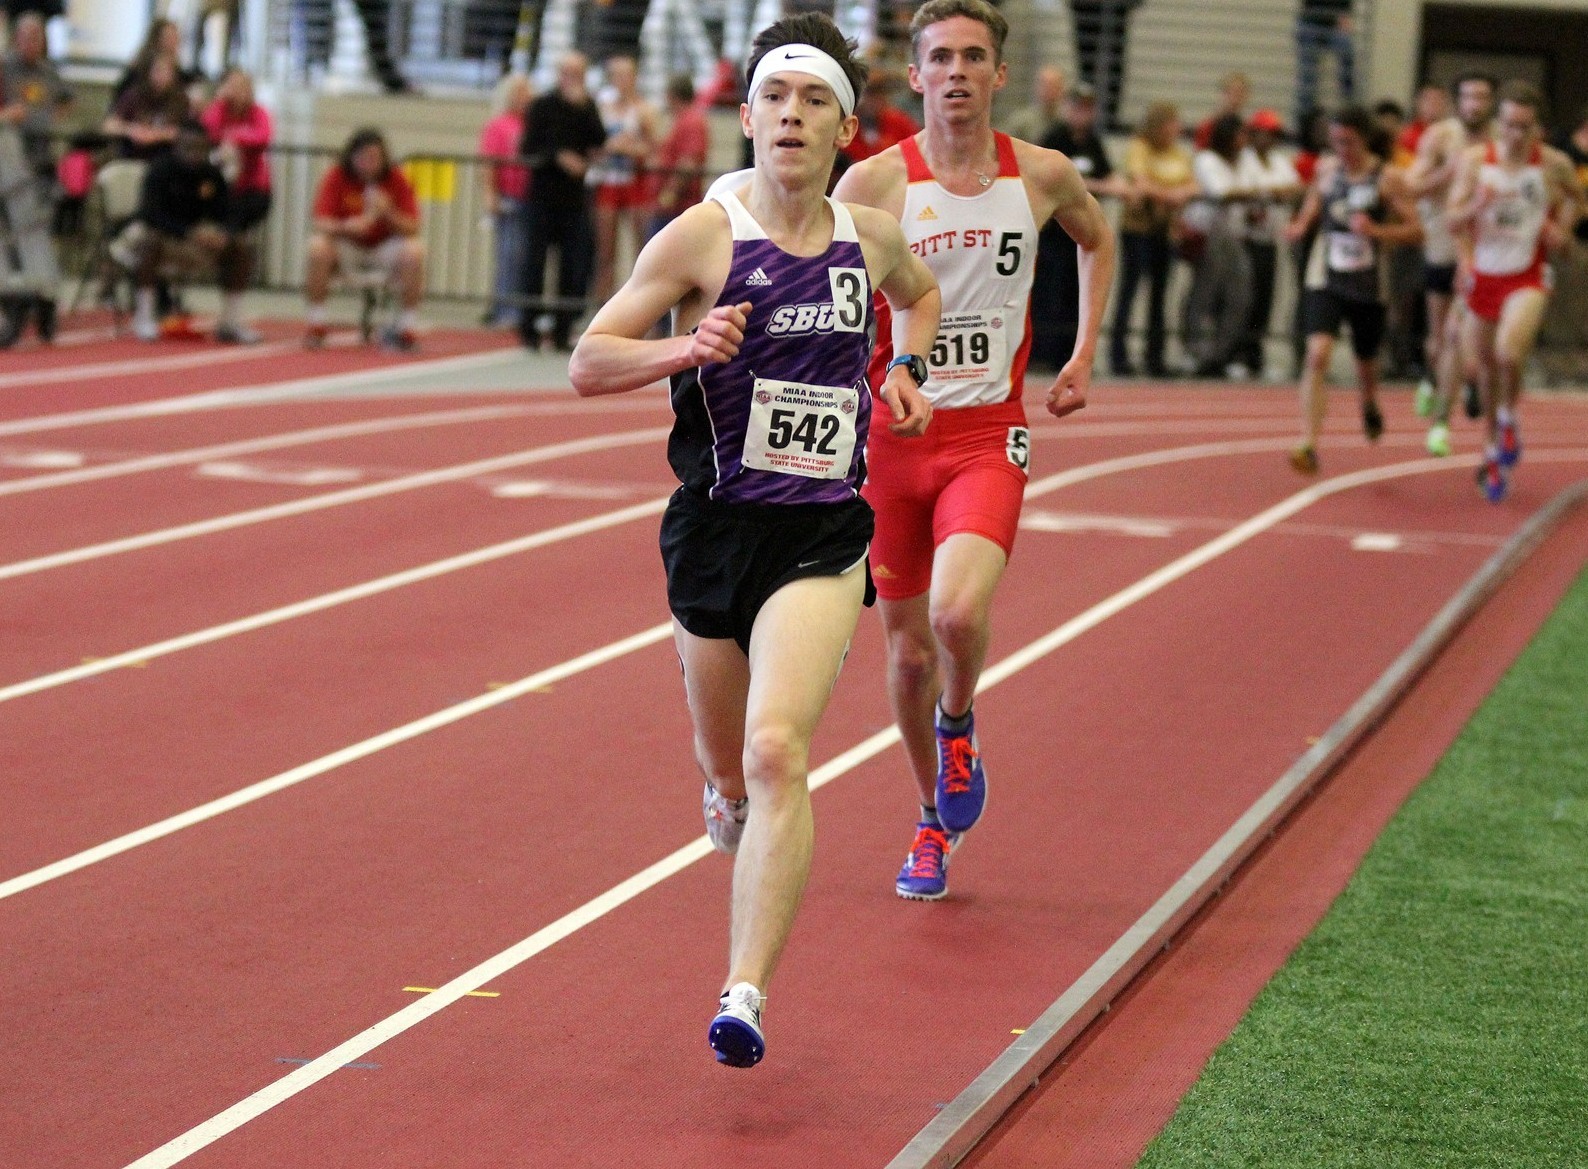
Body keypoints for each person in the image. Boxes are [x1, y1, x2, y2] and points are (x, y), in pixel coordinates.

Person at [568, 12, 938, 1068]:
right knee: (730, 765)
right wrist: (685, 347)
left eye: (813, 100)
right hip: (712, 531)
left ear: (846, 130)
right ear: (746, 117)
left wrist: (905, 368)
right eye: (775, 98)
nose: (791, 116)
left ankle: (743, 991)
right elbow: (588, 362)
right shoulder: (702, 237)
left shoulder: (868, 239)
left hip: (820, 533)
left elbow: (920, 296)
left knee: (781, 749)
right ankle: (719, 789)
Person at [834, 0, 1115, 901]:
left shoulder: (1040, 174)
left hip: (988, 434)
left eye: (974, 57)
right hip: (890, 443)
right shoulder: (872, 186)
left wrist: (1080, 354)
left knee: (957, 617)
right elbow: (827, 292)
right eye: (940, 58)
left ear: (999, 74)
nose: (957, 73)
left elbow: (1099, 242)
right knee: (906, 652)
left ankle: (959, 724)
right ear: (914, 77)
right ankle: (929, 818)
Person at [1448, 81, 1584, 502]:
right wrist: (1475, 207)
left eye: (1524, 126)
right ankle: (1492, 447)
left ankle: (1508, 416)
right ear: (1498, 123)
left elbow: (1579, 198)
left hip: (1528, 274)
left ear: (1537, 127)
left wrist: (1561, 228)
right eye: (1508, 124)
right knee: (1484, 369)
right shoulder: (1474, 162)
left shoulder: (1553, 165)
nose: (1515, 135)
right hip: (1484, 275)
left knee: (1510, 352)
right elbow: (1452, 220)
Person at [1284, 105, 1421, 475]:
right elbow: (1313, 204)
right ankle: (1308, 442)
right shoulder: (1327, 169)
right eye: (1335, 141)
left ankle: (1370, 401)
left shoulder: (1388, 177)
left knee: (1366, 362)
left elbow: (1416, 229)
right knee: (1317, 354)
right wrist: (1299, 226)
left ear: (1364, 138)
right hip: (1326, 275)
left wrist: (1379, 232)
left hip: (1368, 282)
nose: (1341, 148)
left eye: (1348, 141)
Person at [1409, 73, 1495, 456]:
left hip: (1487, 245)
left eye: (1482, 97)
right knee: (1441, 335)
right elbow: (1411, 186)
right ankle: (1433, 376)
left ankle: (1463, 393)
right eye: (1468, 97)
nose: (1474, 105)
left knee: (1464, 334)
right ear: (1456, 100)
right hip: (1442, 242)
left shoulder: (1503, 135)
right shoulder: (1440, 137)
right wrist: (1450, 170)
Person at [119, 119, 257, 343]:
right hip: (165, 236)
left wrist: (224, 235)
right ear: (177, 146)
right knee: (146, 241)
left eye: (200, 148)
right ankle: (144, 317)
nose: (194, 154)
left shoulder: (212, 175)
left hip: (197, 242)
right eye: (188, 147)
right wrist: (189, 233)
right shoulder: (159, 170)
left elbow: (228, 212)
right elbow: (150, 214)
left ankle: (231, 322)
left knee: (242, 248)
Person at [303, 126, 425, 351]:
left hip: (384, 246)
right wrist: (345, 227)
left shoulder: (396, 179)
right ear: (352, 157)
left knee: (415, 251)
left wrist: (388, 212)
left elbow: (413, 227)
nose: (369, 164)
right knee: (317, 246)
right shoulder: (337, 176)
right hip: (348, 245)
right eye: (363, 158)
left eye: (374, 158)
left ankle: (408, 327)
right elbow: (320, 221)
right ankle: (316, 323)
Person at [518, 52, 605, 351]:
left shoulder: (588, 106)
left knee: (573, 266)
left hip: (575, 200)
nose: (572, 79)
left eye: (577, 73)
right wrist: (558, 156)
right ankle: (528, 329)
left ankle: (562, 330)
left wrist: (583, 109)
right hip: (542, 197)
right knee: (534, 264)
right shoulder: (541, 106)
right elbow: (528, 147)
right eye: (567, 72)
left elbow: (599, 140)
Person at [1036, 81, 1121, 369]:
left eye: (1088, 108)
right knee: (1049, 293)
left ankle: (1068, 355)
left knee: (1077, 293)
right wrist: (1094, 185)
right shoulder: (1055, 137)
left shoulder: (1093, 142)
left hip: (1080, 233)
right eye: (1078, 107)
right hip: (1053, 234)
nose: (1082, 114)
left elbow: (1109, 174)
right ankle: (1042, 355)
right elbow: (1050, 179)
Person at [0, 12, 72, 345]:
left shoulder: (48, 73)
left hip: (39, 162)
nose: (32, 43)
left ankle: (43, 297)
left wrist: (50, 118)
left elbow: (66, 101)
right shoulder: (4, 68)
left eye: (38, 37)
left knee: (36, 230)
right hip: (8, 159)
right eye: (26, 36)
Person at [1110, 100, 1196, 377]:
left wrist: (1170, 194)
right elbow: (1141, 183)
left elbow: (1193, 184)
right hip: (1138, 229)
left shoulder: (1178, 153)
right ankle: (1118, 356)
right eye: (1171, 125)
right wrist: (1172, 195)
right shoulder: (1139, 148)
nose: (1176, 130)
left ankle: (1155, 357)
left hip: (1164, 231)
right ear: (1158, 127)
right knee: (1130, 290)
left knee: (1160, 295)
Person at [1181, 112, 1253, 377]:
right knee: (1204, 293)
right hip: (1208, 233)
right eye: (1241, 134)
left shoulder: (1246, 160)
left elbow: (1265, 185)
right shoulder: (1207, 159)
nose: (1246, 140)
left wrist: (1254, 192)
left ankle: (1221, 353)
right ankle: (1194, 350)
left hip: (1235, 234)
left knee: (1240, 295)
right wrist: (1258, 192)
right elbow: (1221, 192)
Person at [1234, 108, 1302, 377]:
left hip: (1269, 239)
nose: (1270, 139)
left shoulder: (1279, 161)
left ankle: (1255, 355)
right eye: (1266, 133)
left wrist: (1271, 192)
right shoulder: (1243, 159)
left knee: (1265, 299)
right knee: (1244, 298)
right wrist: (1273, 192)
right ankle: (1237, 353)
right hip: (1245, 238)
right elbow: (1247, 189)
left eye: (1274, 135)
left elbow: (1294, 188)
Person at [590, 55, 657, 305]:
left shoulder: (643, 110)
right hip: (608, 182)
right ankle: (600, 309)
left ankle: (642, 310)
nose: (622, 81)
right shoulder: (602, 108)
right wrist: (610, 147)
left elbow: (653, 151)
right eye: (617, 75)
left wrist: (629, 149)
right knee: (605, 252)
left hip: (634, 184)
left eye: (627, 75)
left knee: (643, 251)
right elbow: (592, 145)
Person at [478, 72, 531, 328]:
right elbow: (489, 161)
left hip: (531, 198)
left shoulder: (533, 123)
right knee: (509, 254)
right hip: (509, 197)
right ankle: (505, 309)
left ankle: (521, 308)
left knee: (525, 256)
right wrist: (491, 194)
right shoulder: (499, 125)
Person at [199, 68, 272, 235]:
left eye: (240, 86)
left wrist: (234, 136)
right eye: (231, 85)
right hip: (219, 184)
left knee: (233, 223)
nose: (235, 91)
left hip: (252, 187)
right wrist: (219, 102)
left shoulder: (259, 112)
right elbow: (206, 131)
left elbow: (263, 136)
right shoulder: (219, 110)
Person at [645, 72, 709, 239]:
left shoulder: (691, 121)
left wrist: (669, 195)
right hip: (670, 207)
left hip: (676, 208)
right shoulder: (682, 120)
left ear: (672, 95)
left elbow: (689, 163)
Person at [103, 52, 192, 161]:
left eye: (167, 72)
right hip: (130, 157)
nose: (161, 76)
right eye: (158, 71)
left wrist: (157, 135)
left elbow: (187, 132)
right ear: (149, 72)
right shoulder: (134, 95)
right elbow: (109, 126)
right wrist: (131, 130)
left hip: (165, 160)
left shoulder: (181, 100)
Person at [1068, 0, 1142, 131]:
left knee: (1114, 63)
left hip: (1116, 6)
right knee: (1087, 65)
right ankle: (1085, 118)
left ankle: (1110, 118)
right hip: (1086, 7)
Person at [839, 65, 918, 168]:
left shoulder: (899, 122)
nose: (873, 100)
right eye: (869, 93)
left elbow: (919, 154)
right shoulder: (844, 126)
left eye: (878, 93)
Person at [1294, 0, 1355, 130]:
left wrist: (1344, 18)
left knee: (1346, 45)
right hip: (1311, 22)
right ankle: (1305, 119)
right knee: (1308, 75)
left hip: (1333, 25)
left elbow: (1346, 8)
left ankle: (1349, 102)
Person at [1001, 64, 1065, 146]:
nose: (1048, 90)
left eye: (1054, 86)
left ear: (1062, 89)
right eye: (1045, 85)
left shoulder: (1068, 121)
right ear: (1036, 87)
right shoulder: (1021, 121)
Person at [1193, 71, 1250, 151]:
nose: (1236, 96)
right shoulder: (1208, 126)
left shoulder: (1247, 128)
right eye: (1233, 91)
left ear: (1246, 95)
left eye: (1241, 92)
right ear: (1223, 94)